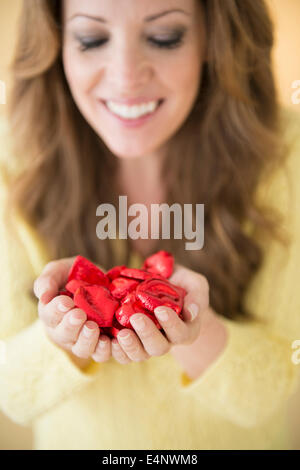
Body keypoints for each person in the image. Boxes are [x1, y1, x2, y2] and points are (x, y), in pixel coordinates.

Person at [0, 0, 300, 450]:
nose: (125, 77)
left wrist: (197, 330)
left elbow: (272, 390)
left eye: (164, 37)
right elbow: (12, 395)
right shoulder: (10, 159)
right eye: (92, 39)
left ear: (213, 39)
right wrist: (59, 336)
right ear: (58, 43)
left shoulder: (288, 155)